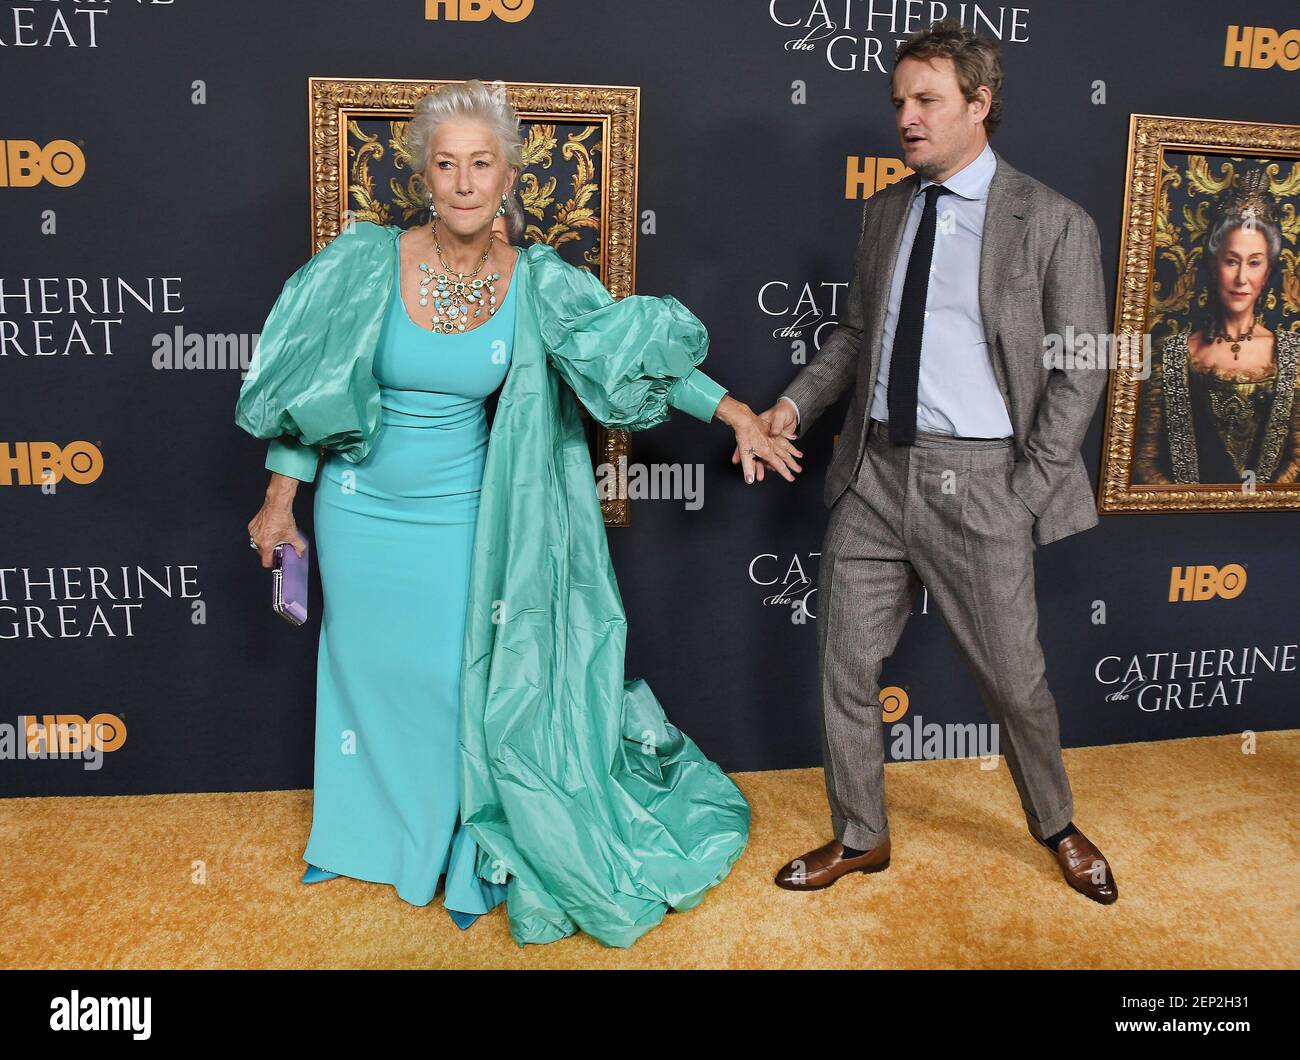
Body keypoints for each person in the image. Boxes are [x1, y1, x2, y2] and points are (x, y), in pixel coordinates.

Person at [236, 79, 801, 948]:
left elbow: (627, 354)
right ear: (426, 175)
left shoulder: (536, 282)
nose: (464, 182)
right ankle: (370, 838)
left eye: (482, 164)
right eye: (447, 164)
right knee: (366, 675)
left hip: (466, 512)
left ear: (508, 178)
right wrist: (281, 503)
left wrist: (737, 415)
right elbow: (310, 391)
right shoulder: (364, 262)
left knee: (459, 682)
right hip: (359, 509)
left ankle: (467, 844)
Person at [747, 21, 1119, 904]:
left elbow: (1081, 363)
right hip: (873, 472)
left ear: (979, 105)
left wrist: (1024, 493)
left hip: (984, 479)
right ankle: (860, 835)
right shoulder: (885, 211)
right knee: (844, 665)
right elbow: (856, 339)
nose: (906, 119)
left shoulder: (1053, 220)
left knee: (1015, 682)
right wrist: (793, 405)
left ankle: (1057, 825)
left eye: (927, 102)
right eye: (899, 103)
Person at [1135, 170, 1300, 484]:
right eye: (1231, 261)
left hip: (1272, 523)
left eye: (1254, 262)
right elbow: (1144, 463)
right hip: (1182, 524)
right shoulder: (1171, 354)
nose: (1241, 278)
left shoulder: (1293, 353)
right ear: (1214, 265)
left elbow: (1298, 461)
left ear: (1267, 272)